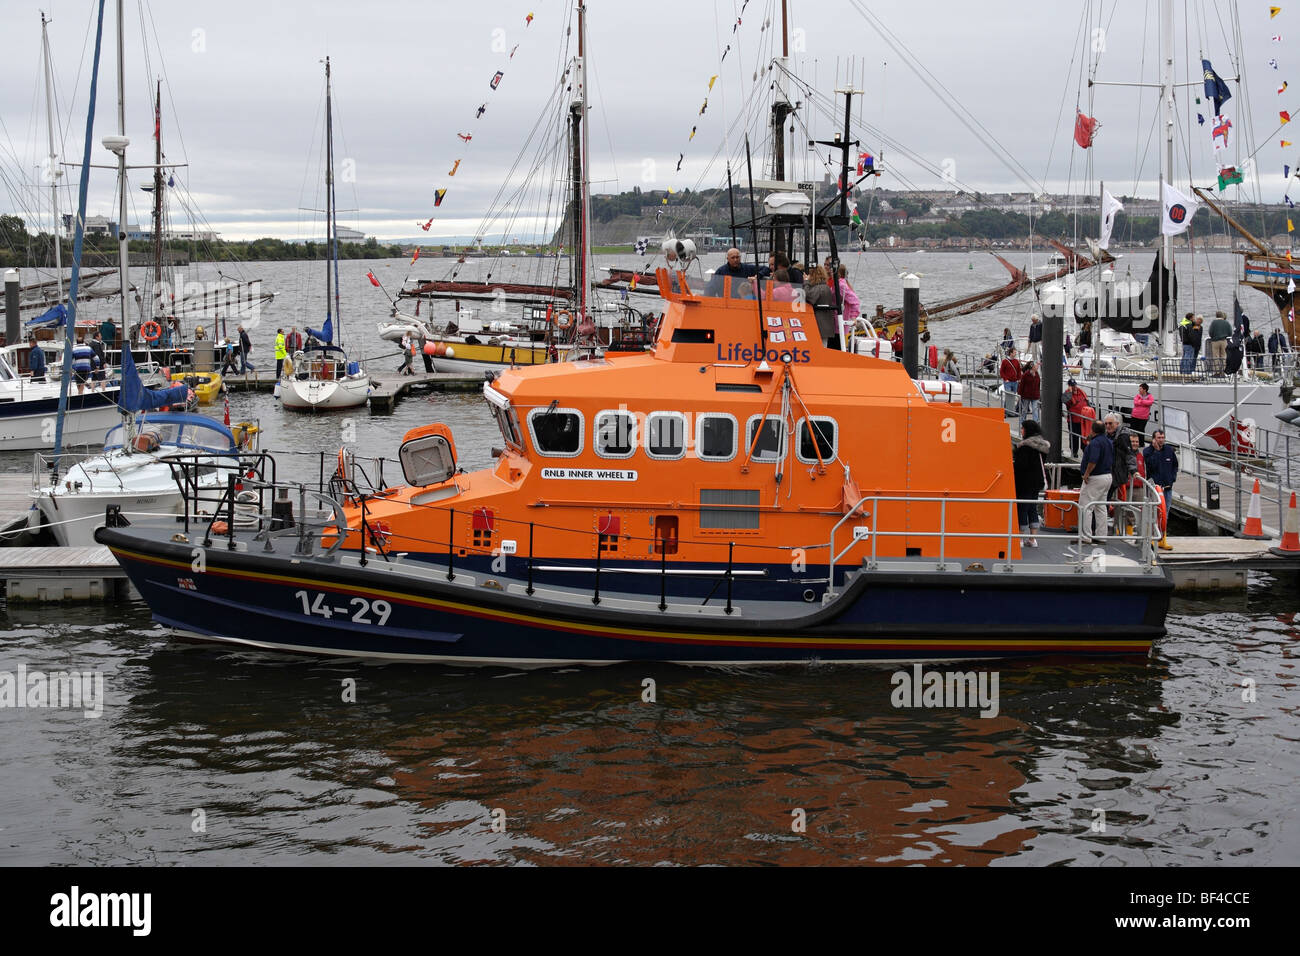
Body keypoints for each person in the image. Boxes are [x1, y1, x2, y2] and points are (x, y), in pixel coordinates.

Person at [1013, 419, 1050, 547]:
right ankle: (1033, 538)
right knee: (1032, 507)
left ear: (1027, 430)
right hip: (1037, 481)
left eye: (1023, 428)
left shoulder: (1025, 447)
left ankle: (1020, 538)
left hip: (1024, 482)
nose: (1021, 430)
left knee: (1022, 508)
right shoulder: (1042, 447)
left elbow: (1020, 466)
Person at [1079, 420, 1115, 543]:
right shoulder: (1108, 442)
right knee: (1101, 507)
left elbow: (1093, 460)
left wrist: (1086, 474)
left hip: (1095, 477)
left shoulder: (1095, 443)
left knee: (1086, 506)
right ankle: (1101, 536)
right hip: (1107, 476)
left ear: (1092, 430)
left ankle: (1086, 536)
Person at [1143, 429, 1178, 550]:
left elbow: (1175, 465)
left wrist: (1172, 478)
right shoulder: (1148, 451)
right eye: (1159, 438)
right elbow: (1151, 465)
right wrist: (1156, 451)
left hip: (1167, 488)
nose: (1161, 440)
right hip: (1155, 489)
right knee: (1153, 513)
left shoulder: (1169, 450)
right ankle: (1152, 539)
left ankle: (1163, 540)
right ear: (1154, 439)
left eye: (1163, 437)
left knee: (1165, 514)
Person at [803, 265, 837, 347]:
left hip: (820, 325)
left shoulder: (820, 288)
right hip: (825, 325)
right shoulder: (825, 287)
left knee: (819, 347)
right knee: (823, 346)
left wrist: (806, 282)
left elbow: (808, 296)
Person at [1064, 378, 1090, 457]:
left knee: (1084, 437)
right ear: (1069, 386)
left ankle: (1085, 451)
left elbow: (1087, 402)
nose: (1074, 387)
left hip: (1083, 419)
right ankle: (1074, 452)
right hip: (1073, 420)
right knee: (1074, 437)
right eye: (1072, 386)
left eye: (1075, 385)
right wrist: (1070, 392)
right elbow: (1065, 401)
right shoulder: (1067, 394)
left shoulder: (1081, 392)